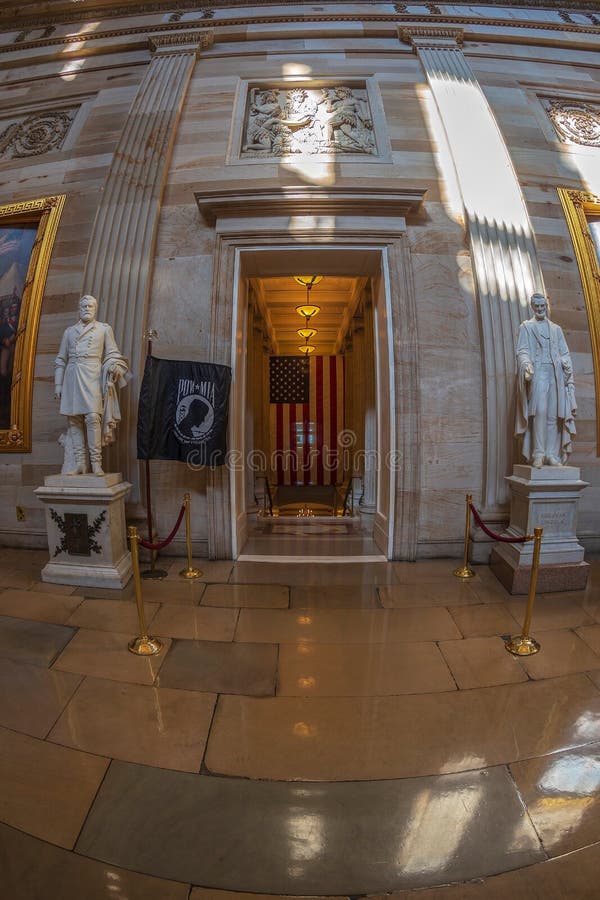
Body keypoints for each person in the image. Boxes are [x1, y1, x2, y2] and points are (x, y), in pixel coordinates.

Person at [54, 295, 128, 476]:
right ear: (79, 309)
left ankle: (96, 463)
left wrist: (115, 365)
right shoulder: (69, 331)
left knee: (93, 417)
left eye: (91, 306)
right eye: (84, 305)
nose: (87, 308)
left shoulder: (104, 329)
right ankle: (81, 464)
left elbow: (113, 353)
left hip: (92, 376)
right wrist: (58, 384)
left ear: (95, 309)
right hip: (71, 377)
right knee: (74, 420)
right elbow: (60, 360)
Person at [515, 292, 576, 467]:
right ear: (532, 307)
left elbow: (565, 353)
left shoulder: (556, 329)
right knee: (539, 412)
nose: (540, 309)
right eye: (537, 306)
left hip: (555, 374)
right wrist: (526, 365)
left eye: (543, 306)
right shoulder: (526, 327)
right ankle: (538, 454)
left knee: (552, 414)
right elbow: (522, 351)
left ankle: (551, 454)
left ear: (546, 306)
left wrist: (566, 364)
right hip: (538, 372)